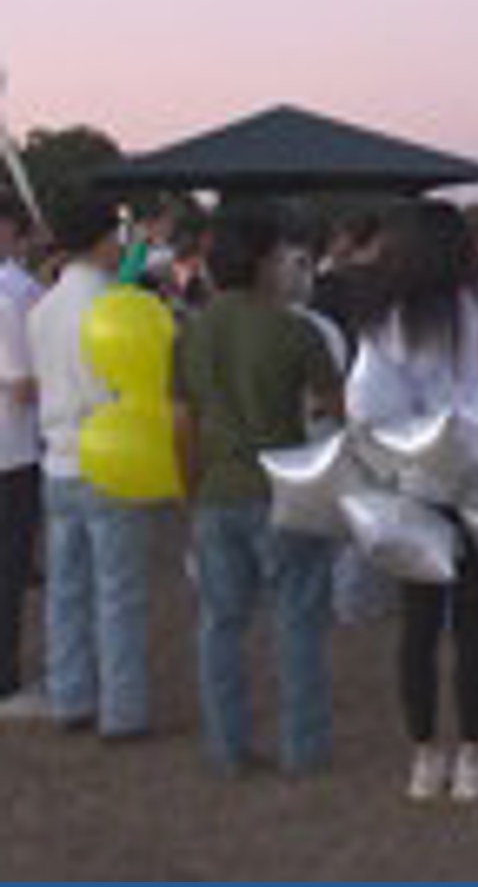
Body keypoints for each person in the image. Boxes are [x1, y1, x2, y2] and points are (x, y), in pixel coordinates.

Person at [346, 200, 478, 803]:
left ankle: (424, 759)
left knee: (417, 627)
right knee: (475, 625)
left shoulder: (387, 320)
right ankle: (472, 758)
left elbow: (366, 405)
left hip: (415, 483)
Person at [175, 203, 343, 776]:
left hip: (216, 489)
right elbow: (337, 407)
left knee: (220, 625)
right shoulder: (295, 329)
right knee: (298, 622)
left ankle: (226, 747)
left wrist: (188, 490)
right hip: (285, 487)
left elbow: (182, 424)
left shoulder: (191, 333)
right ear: (267, 261)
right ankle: (303, 747)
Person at [28, 198, 153, 741]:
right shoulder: (117, 305)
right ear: (104, 240)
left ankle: (70, 695)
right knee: (118, 592)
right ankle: (122, 709)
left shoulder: (41, 309)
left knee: (66, 590)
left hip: (57, 459)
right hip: (111, 456)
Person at [0, 196, 46, 718]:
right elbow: (21, 385)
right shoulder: (10, 293)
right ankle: (5, 682)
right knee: (8, 567)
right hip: (10, 451)